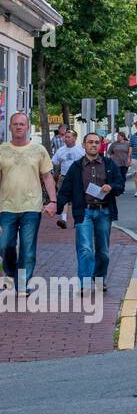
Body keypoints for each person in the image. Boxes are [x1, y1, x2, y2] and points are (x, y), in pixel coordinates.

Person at [57, 132, 124, 291]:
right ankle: (85, 284)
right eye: (90, 142)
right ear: (84, 145)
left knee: (103, 251)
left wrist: (111, 187)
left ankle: (100, 279)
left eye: (96, 142)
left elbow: (120, 185)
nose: (93, 145)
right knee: (85, 249)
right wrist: (56, 207)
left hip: (104, 212)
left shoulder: (109, 164)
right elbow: (65, 190)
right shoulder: (76, 167)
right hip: (84, 212)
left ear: (101, 145)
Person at [0, 112, 57, 294]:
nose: (18, 127)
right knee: (5, 245)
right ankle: (11, 272)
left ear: (27, 127)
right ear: (10, 127)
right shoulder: (2, 150)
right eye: (15, 124)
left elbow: (47, 177)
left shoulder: (39, 150)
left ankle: (22, 285)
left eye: (22, 124)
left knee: (28, 249)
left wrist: (53, 201)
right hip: (6, 206)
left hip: (32, 207)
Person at [51, 127, 85, 229]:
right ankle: (63, 219)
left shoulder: (81, 150)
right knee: (63, 198)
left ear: (74, 138)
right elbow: (53, 162)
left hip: (78, 178)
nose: (66, 139)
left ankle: (77, 220)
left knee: (77, 199)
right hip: (64, 177)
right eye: (65, 137)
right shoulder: (61, 150)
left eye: (69, 137)